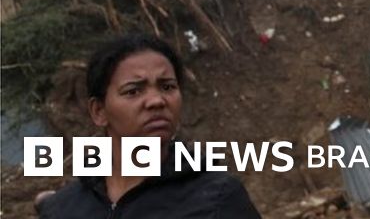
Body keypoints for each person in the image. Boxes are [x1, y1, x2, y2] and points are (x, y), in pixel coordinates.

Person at [36, 34, 260, 218]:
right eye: (133, 91)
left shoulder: (217, 199)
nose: (156, 101)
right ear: (99, 111)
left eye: (167, 87)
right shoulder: (62, 209)